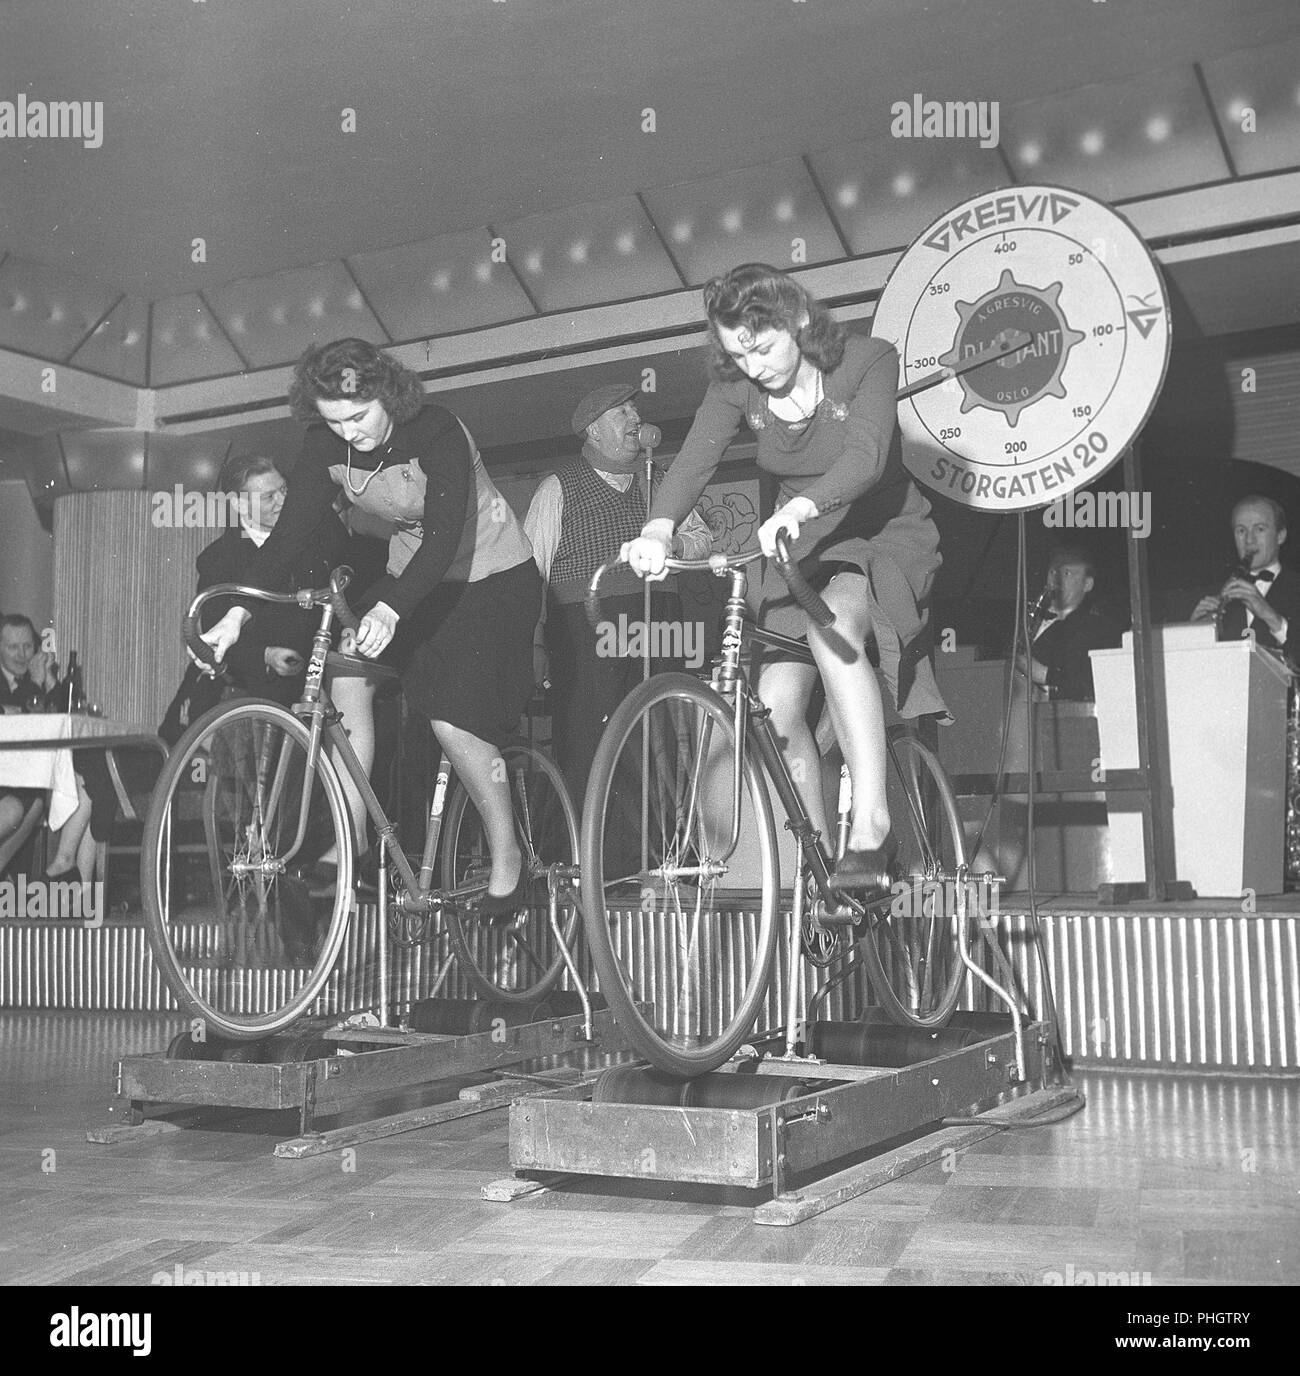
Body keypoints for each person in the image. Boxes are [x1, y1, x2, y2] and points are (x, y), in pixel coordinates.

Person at [624, 263, 949, 892]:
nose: (752, 366)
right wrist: (658, 529)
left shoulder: (867, 360)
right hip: (799, 545)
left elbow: (866, 458)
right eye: (735, 352)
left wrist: (799, 507)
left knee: (836, 630)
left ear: (799, 321)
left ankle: (872, 825)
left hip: (879, 531)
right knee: (773, 708)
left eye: (763, 346)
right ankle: (819, 862)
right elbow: (693, 462)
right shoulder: (736, 388)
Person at [200, 338, 541, 915]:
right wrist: (236, 613)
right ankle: (351, 839)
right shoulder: (324, 446)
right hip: (417, 580)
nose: (349, 433)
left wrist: (391, 608)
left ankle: (509, 862)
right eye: (335, 422)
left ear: (389, 395)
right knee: (347, 675)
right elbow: (289, 537)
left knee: (452, 722)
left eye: (358, 417)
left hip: (493, 576)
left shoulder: (436, 431)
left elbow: (441, 537)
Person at [524, 381, 712, 801]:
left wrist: (673, 543)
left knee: (664, 736)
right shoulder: (557, 487)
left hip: (660, 624)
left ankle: (664, 854)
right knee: (596, 739)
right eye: (622, 412)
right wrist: (533, 643)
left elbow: (702, 539)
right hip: (587, 633)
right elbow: (529, 574)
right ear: (593, 430)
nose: (636, 419)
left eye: (635, 410)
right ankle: (597, 858)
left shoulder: (658, 481)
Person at [1191, 495, 1300, 653]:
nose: (1249, 540)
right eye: (1241, 531)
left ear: (1280, 536)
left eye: (1260, 529)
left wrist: (1271, 617)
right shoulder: (1221, 593)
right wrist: (1196, 633)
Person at [1015, 545, 1123, 702]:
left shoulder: (1098, 627)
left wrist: (1045, 674)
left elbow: (1094, 683)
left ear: (1087, 585)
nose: (1055, 578)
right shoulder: (1029, 617)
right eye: (1052, 571)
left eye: (1067, 573)